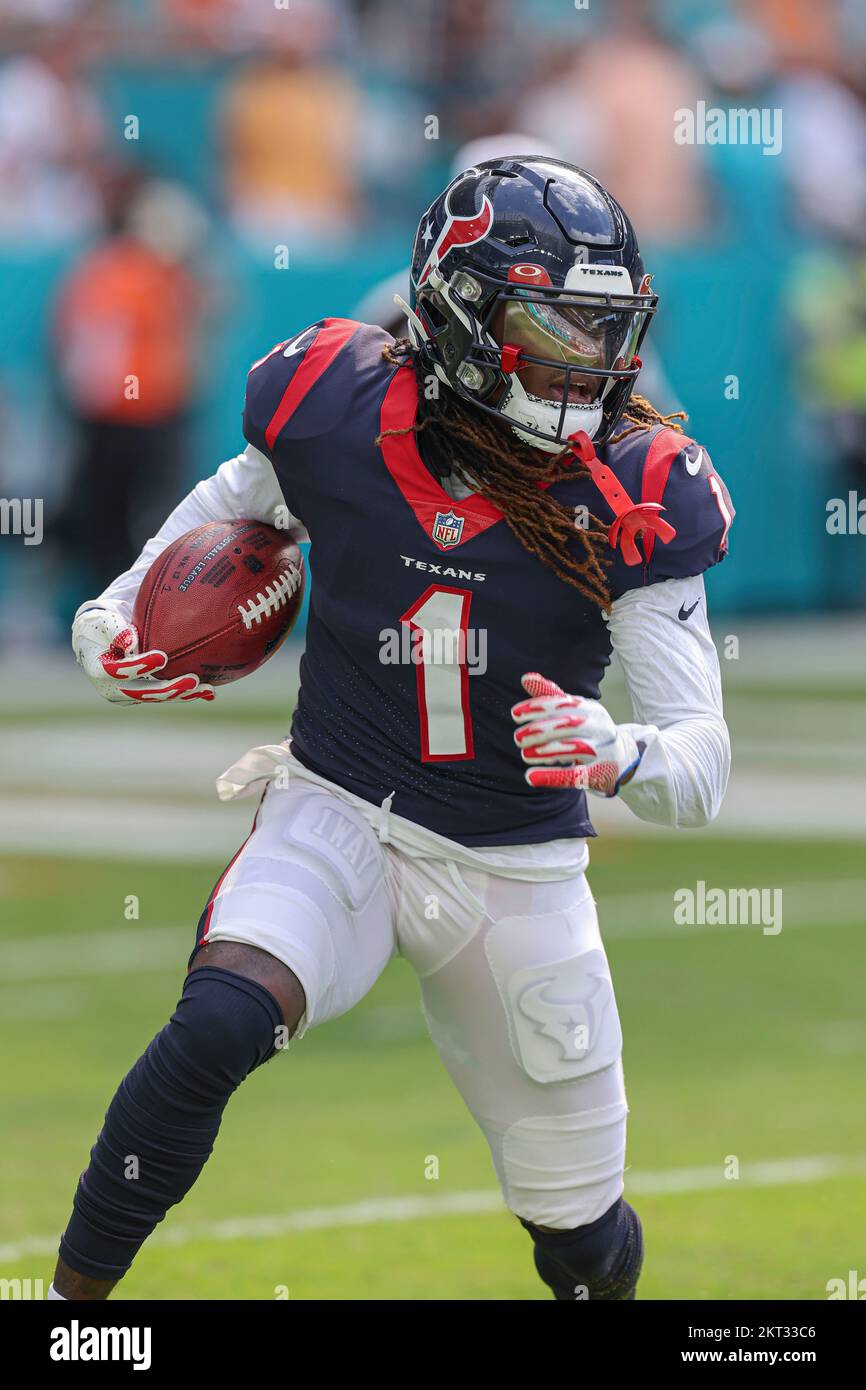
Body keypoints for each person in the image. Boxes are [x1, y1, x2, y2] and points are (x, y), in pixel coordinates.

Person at [57, 158, 734, 1301]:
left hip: (513, 865)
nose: (591, 358)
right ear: (463, 312)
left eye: (603, 327)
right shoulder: (332, 404)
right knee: (219, 1022)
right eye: (555, 322)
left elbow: (697, 767)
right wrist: (118, 610)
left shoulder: (631, 488)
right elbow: (233, 503)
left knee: (575, 1235)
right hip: (336, 809)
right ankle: (67, 1317)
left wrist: (617, 750)